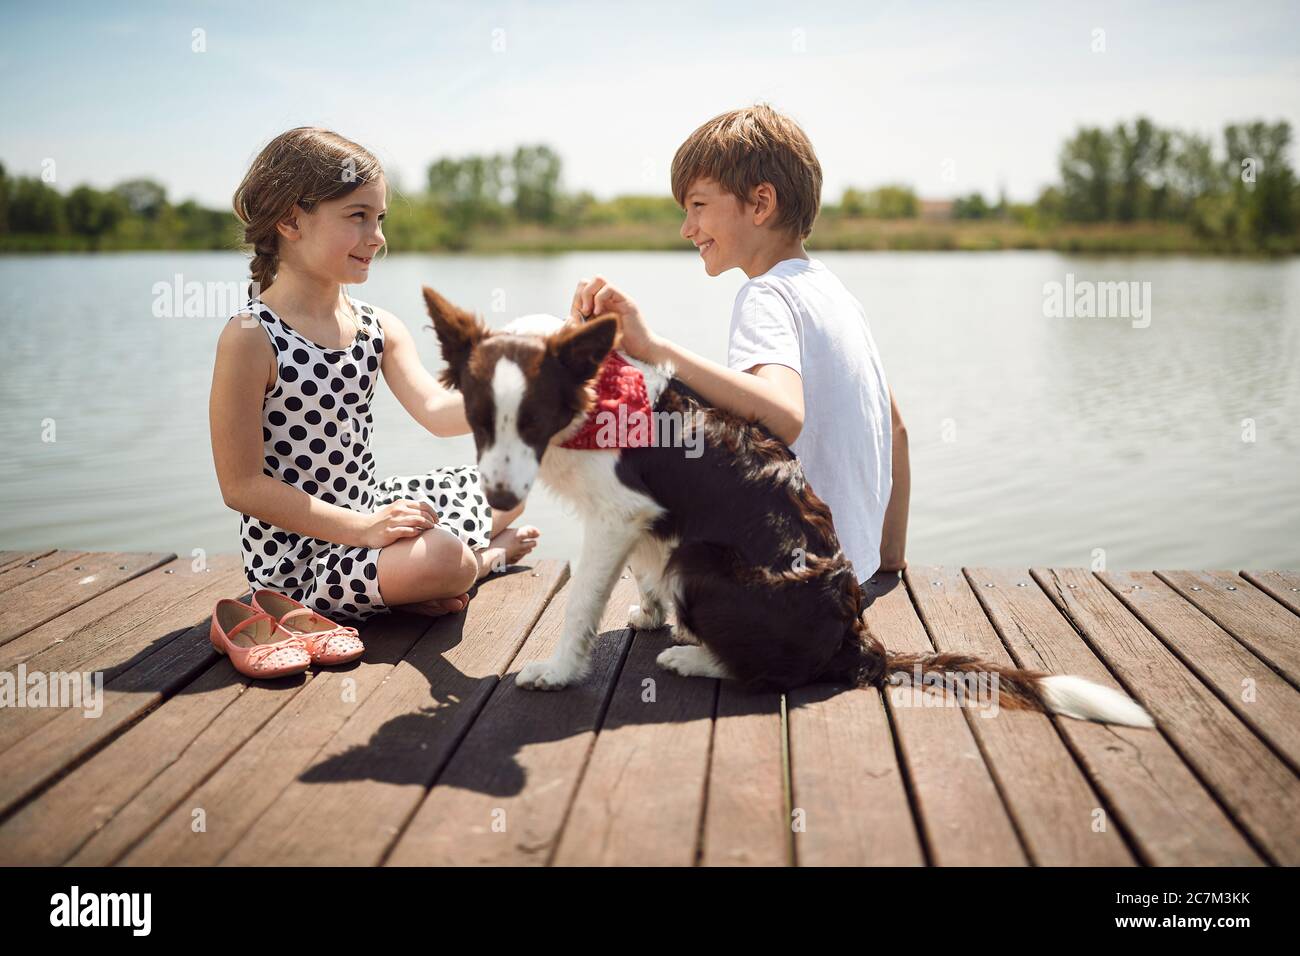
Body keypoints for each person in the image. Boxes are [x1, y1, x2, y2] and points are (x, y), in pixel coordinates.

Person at [209, 127, 539, 624]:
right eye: (357, 216)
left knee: (509, 483)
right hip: (300, 562)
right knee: (447, 560)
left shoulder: (377, 326)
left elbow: (438, 413)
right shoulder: (251, 337)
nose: (378, 237)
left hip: (371, 510)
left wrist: (525, 379)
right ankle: (484, 561)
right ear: (290, 221)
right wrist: (363, 530)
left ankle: (422, 580)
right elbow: (241, 486)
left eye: (379, 218)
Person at [569, 104, 909, 585]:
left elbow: (782, 414)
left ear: (760, 203)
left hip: (793, 582)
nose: (687, 228)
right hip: (845, 575)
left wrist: (651, 348)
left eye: (698, 206)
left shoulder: (765, 294)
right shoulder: (836, 294)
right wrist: (887, 559)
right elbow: (896, 431)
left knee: (644, 429)